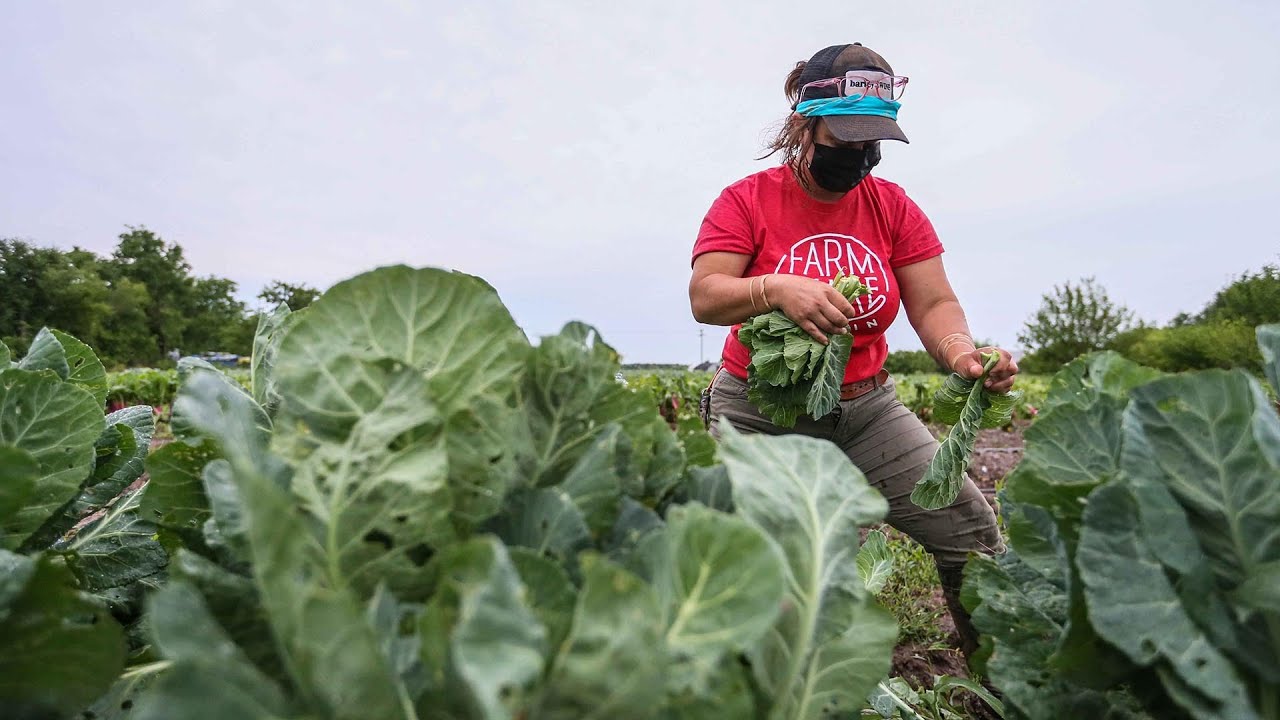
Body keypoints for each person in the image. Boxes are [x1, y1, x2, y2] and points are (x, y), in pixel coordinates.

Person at [688, 42, 1017, 661]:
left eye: (873, 141)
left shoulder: (892, 207)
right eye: (844, 139)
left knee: (970, 532)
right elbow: (707, 297)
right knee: (769, 564)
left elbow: (934, 303)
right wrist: (774, 289)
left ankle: (1004, 682)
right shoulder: (747, 200)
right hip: (763, 414)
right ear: (802, 125)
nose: (860, 155)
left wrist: (963, 354)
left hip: (867, 410)